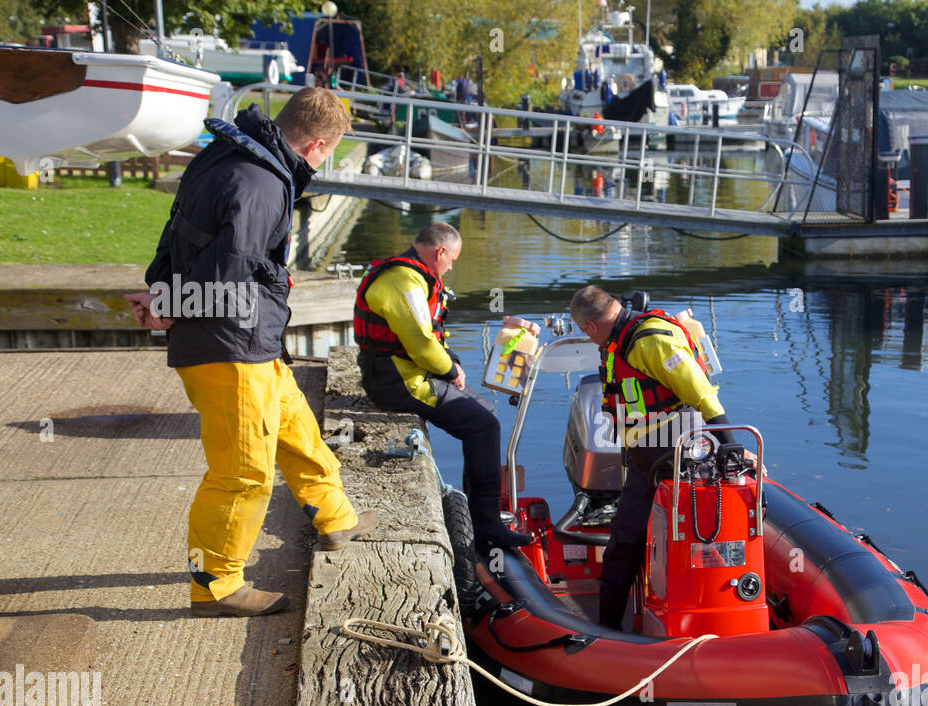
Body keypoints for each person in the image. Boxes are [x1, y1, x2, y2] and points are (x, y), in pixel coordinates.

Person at [124, 88, 375, 618]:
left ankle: (334, 517)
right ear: (318, 145)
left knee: (295, 426)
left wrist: (163, 295)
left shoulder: (228, 156)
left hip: (245, 340)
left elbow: (186, 242)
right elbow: (230, 271)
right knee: (243, 471)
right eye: (328, 153)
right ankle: (216, 585)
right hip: (229, 345)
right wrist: (170, 302)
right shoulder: (262, 183)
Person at [568, 285, 739, 629]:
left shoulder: (648, 341)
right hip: (646, 461)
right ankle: (609, 630)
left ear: (590, 327)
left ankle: (687, 618)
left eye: (585, 336)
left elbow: (697, 387)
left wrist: (729, 439)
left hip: (673, 457)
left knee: (661, 538)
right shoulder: (623, 339)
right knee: (625, 541)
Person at [353, 222, 529, 551]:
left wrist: (450, 360)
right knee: (484, 425)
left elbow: (421, 337)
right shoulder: (404, 281)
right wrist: (450, 370)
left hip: (399, 373)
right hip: (398, 382)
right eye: (452, 259)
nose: (451, 266)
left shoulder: (407, 276)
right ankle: (487, 527)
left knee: (486, 415)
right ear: (440, 252)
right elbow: (420, 342)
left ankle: (481, 515)